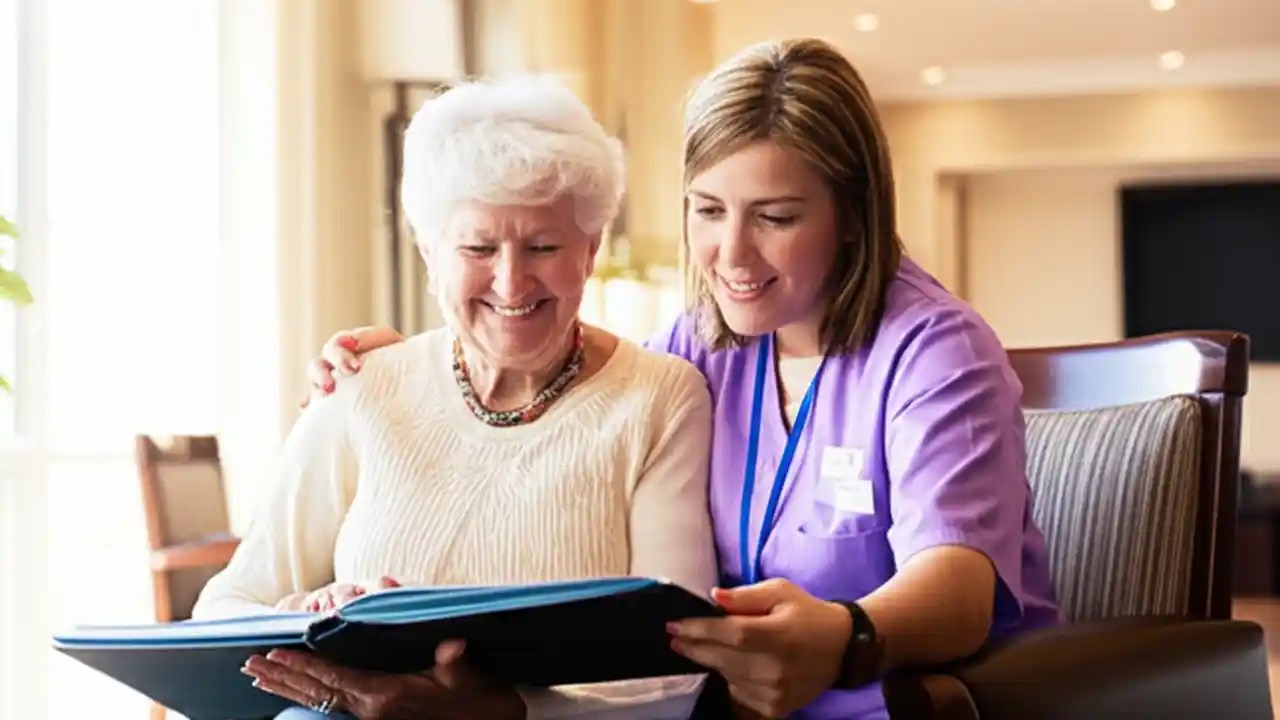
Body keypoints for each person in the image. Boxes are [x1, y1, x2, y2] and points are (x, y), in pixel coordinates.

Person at [305, 38, 1062, 720]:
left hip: (899, 702)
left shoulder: (935, 352)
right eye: (708, 210)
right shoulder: (704, 346)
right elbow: (576, 381)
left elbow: (958, 589)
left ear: (854, 214)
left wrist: (846, 637)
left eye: (776, 217)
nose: (731, 255)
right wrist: (428, 360)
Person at [195, 75, 721, 719]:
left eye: (543, 246)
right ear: (429, 252)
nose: (510, 280)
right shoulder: (361, 385)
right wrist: (303, 619)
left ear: (590, 250)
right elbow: (225, 606)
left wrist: (502, 715)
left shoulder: (659, 399)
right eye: (477, 247)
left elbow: (675, 672)